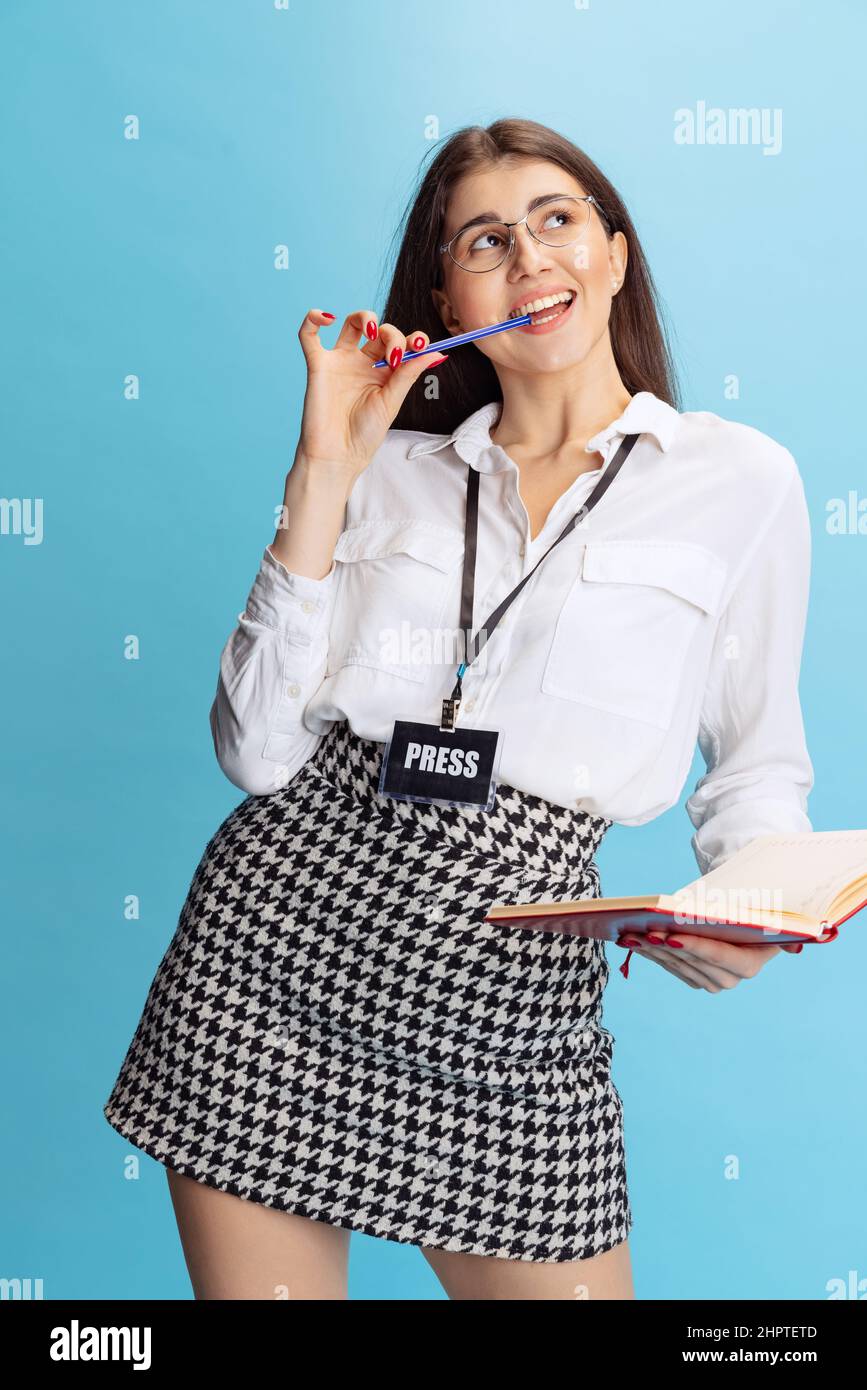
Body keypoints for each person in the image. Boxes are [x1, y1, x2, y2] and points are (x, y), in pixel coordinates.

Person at [103, 118, 812, 1301]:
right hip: (272, 967)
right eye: (486, 239)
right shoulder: (388, 471)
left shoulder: (739, 482)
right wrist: (324, 467)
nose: (529, 255)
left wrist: (752, 907)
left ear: (615, 256)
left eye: (556, 220)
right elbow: (254, 750)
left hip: (517, 1016)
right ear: (447, 295)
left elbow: (756, 768)